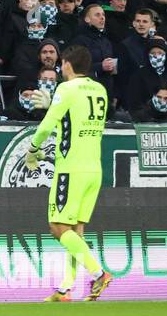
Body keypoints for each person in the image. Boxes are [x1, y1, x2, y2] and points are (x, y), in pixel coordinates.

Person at [24, 45, 113, 302]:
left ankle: (98, 274)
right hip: (93, 168)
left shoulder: (67, 88)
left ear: (67, 65)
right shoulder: (100, 90)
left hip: (70, 169)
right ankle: (66, 288)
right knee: (75, 231)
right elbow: (78, 119)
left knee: (58, 227)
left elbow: (47, 125)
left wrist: (33, 149)